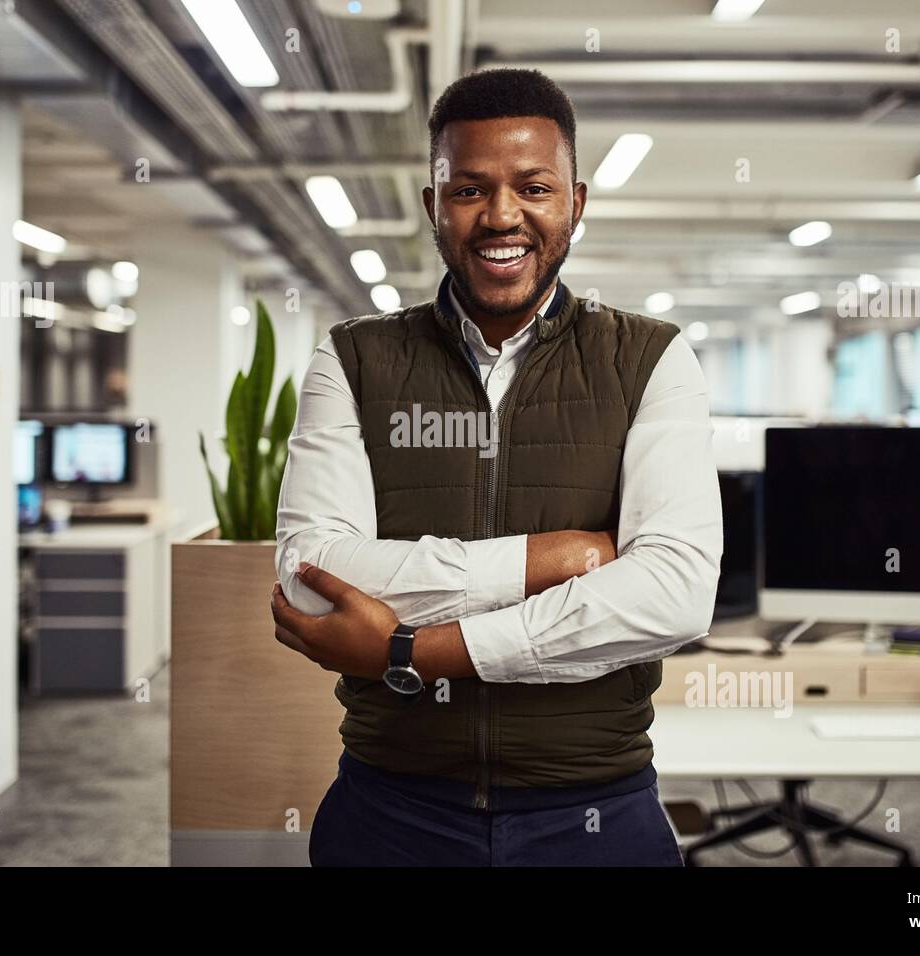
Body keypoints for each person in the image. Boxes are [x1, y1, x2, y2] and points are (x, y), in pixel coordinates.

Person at [270, 68, 722, 866]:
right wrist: (549, 561)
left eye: (534, 187)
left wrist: (410, 652)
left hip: (595, 810)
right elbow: (313, 575)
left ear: (575, 202)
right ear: (433, 206)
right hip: (393, 807)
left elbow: (675, 592)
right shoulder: (353, 359)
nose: (502, 216)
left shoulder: (650, 359)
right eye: (470, 189)